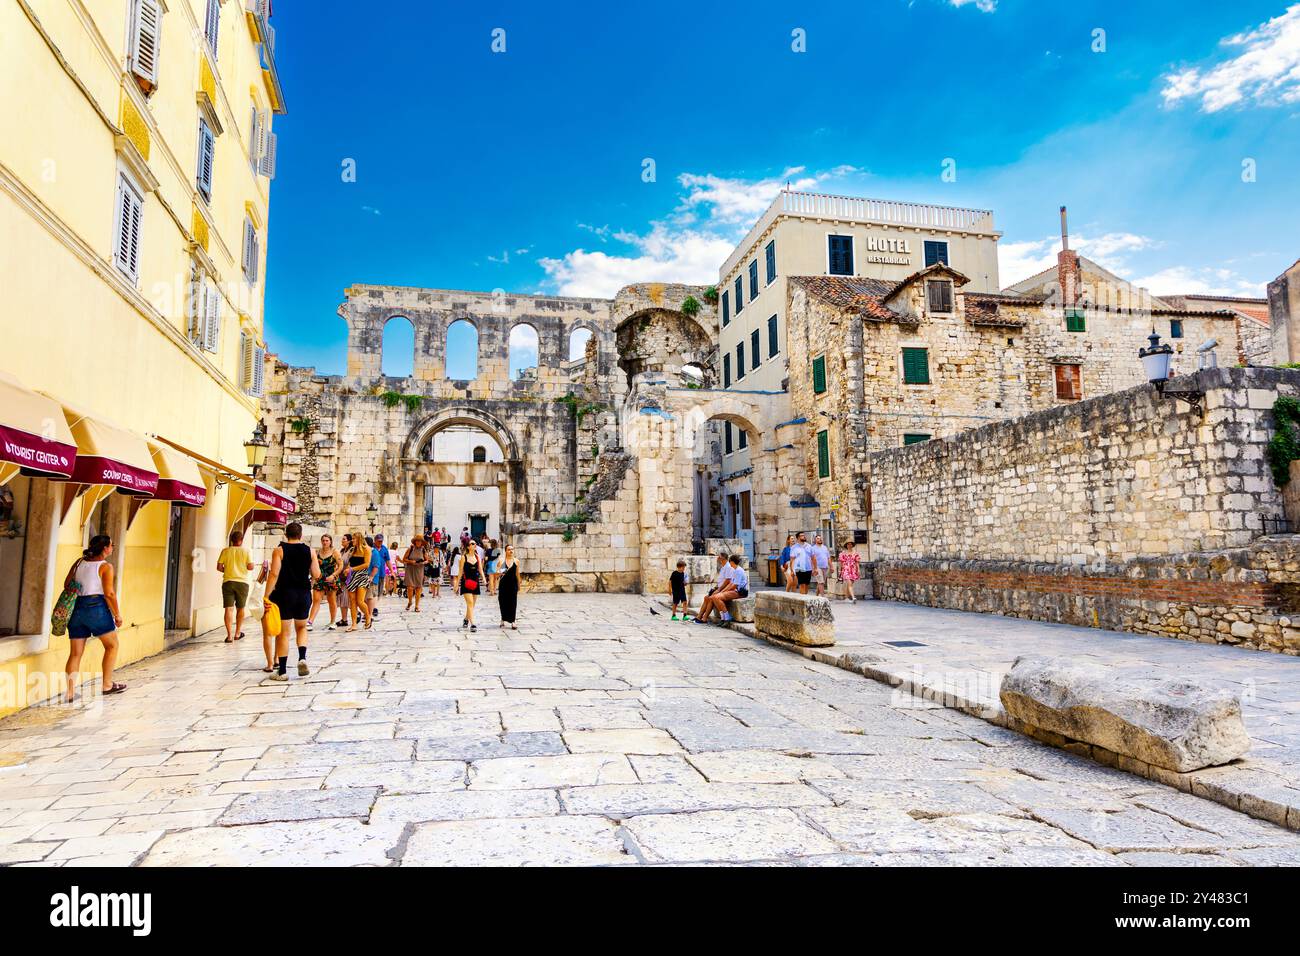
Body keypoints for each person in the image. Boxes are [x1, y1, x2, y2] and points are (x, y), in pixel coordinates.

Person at [62, 534, 125, 701]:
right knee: (112, 645)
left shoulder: (79, 562)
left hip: (76, 608)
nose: (112, 548)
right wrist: (117, 615)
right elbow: (109, 593)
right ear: (105, 548)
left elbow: (67, 584)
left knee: (75, 653)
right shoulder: (105, 567)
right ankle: (107, 685)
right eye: (112, 545)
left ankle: (69, 692)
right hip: (96, 607)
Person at [263, 521, 320, 682]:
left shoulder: (279, 551)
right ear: (301, 535)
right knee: (301, 628)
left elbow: (274, 574)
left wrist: (266, 596)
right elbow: (316, 574)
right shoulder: (310, 551)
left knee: (284, 633)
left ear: (286, 534)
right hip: (303, 593)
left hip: (284, 594)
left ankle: (282, 671)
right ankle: (302, 657)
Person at [217, 530, 254, 643]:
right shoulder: (247, 551)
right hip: (242, 583)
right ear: (241, 540)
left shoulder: (225, 551)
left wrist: (227, 570)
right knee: (240, 608)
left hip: (228, 582)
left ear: (231, 540)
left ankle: (229, 636)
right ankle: (238, 633)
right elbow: (250, 567)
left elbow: (219, 567)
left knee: (229, 609)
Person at [308, 534, 343, 629]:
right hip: (320, 579)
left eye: (327, 540)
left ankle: (332, 622)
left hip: (332, 578)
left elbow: (341, 566)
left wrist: (333, 575)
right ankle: (310, 621)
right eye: (323, 540)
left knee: (331, 601)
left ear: (330, 541)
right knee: (316, 600)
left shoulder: (335, 552)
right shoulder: (317, 552)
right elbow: (313, 566)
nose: (325, 542)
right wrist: (313, 577)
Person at [344, 530, 372, 632]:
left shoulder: (367, 549)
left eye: (354, 538)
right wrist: (347, 570)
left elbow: (367, 564)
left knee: (360, 601)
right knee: (352, 601)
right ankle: (354, 624)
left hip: (362, 576)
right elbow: (349, 563)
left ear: (359, 539)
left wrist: (352, 569)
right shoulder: (352, 550)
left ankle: (368, 617)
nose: (352, 540)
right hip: (352, 577)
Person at [693, 553, 732, 624]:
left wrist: (719, 590)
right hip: (720, 588)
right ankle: (699, 616)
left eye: (719, 557)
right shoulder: (724, 567)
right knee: (706, 597)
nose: (718, 558)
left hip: (724, 589)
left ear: (723, 558)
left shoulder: (728, 567)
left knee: (711, 598)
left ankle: (704, 618)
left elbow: (728, 580)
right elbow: (722, 580)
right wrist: (716, 588)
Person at [455, 539, 482, 631]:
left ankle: (466, 619)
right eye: (472, 544)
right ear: (468, 546)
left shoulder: (478, 557)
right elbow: (460, 571)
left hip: (475, 582)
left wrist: (485, 580)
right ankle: (473, 624)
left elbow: (481, 570)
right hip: (466, 582)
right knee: (470, 603)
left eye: (475, 544)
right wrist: (456, 585)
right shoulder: (464, 557)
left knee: (472, 605)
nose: (475, 545)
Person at [367, 533, 391, 619]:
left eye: (381, 541)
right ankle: (373, 609)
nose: (380, 542)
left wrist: (392, 571)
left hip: (381, 573)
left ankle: (373, 607)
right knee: (373, 593)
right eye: (378, 541)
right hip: (373, 574)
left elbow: (388, 560)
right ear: (375, 540)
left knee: (379, 592)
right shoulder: (372, 548)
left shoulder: (384, 549)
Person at [497, 543, 520, 629]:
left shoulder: (516, 561)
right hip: (503, 584)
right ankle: (503, 619)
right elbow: (497, 574)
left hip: (513, 584)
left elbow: (517, 574)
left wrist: (519, 584)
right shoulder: (502, 561)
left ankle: (513, 621)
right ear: (506, 551)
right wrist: (500, 572)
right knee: (503, 602)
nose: (511, 551)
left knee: (513, 602)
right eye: (509, 549)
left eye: (512, 549)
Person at [403, 536, 428, 611]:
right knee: (410, 587)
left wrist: (423, 562)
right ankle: (410, 602)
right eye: (417, 541)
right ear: (415, 542)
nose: (418, 542)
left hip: (419, 570)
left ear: (422, 542)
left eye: (420, 541)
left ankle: (417, 606)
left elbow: (427, 560)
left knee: (418, 588)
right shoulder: (410, 549)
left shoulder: (423, 550)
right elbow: (404, 559)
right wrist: (411, 561)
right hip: (410, 569)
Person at [335, 533, 354, 627]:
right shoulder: (342, 551)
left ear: (349, 541)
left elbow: (352, 562)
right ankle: (344, 619)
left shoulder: (351, 550)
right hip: (341, 577)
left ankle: (357, 613)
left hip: (349, 577)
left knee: (349, 598)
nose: (342, 541)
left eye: (344, 539)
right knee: (342, 597)